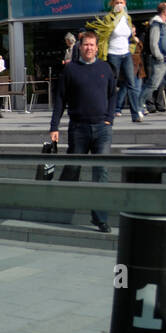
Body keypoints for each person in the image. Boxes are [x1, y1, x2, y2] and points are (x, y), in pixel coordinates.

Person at [50, 30, 117, 232]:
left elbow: (113, 95)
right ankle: (61, 197)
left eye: (92, 45)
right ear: (80, 47)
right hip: (78, 128)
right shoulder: (70, 70)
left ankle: (100, 218)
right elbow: (60, 99)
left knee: (101, 172)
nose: (88, 48)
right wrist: (54, 126)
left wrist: (109, 119)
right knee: (74, 167)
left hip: (102, 129)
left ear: (97, 47)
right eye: (85, 44)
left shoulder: (105, 68)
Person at [88, 0, 141, 122]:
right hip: (113, 54)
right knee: (111, 84)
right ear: (113, 4)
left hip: (126, 53)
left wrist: (134, 40)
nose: (119, 5)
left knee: (132, 83)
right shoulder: (109, 18)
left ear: (125, 4)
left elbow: (128, 35)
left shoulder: (127, 18)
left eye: (121, 3)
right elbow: (102, 36)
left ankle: (136, 113)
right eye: (117, 3)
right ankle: (107, 113)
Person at [141, 3, 166, 114]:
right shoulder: (156, 24)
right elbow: (154, 43)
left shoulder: (165, 25)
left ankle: (165, 106)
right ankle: (143, 103)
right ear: (163, 11)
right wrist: (159, 56)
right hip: (157, 58)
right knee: (153, 83)